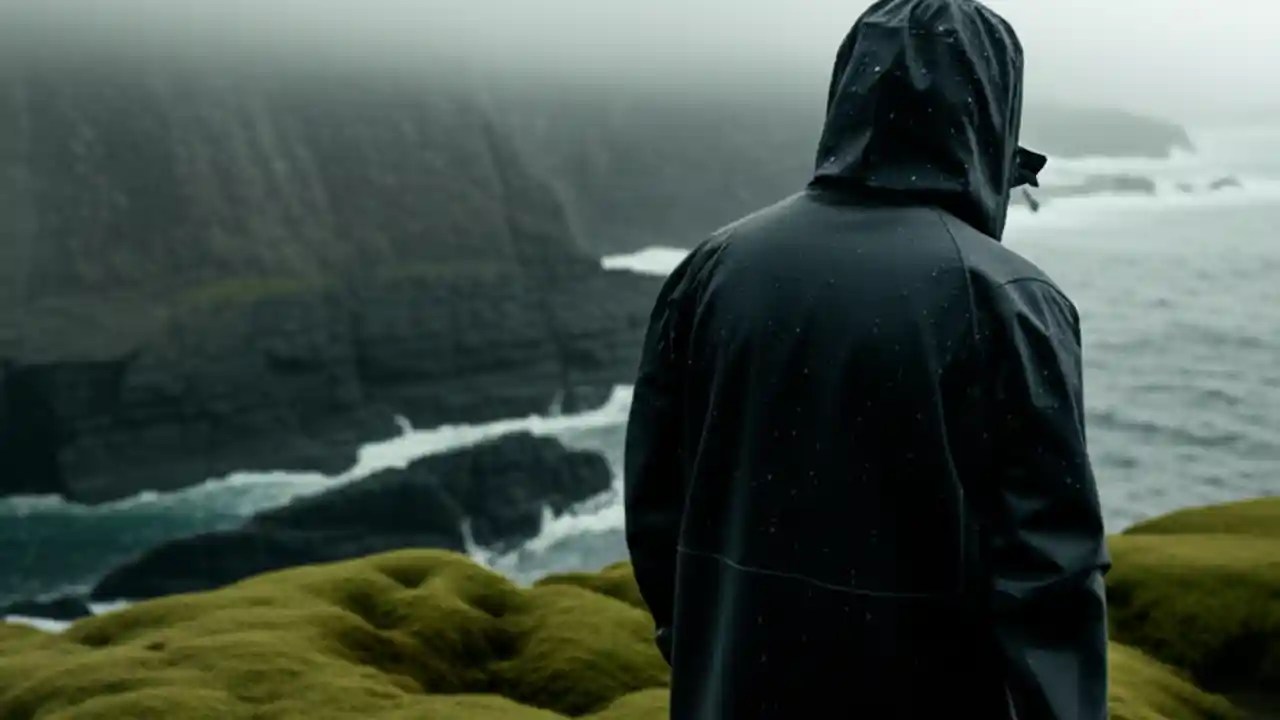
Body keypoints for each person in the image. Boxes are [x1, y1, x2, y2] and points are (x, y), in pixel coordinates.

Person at [622, 0, 1111, 718]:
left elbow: (656, 503)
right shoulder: (1009, 302)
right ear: (991, 109)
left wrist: (703, 645)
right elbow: (1050, 577)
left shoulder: (713, 267)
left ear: (849, 92)